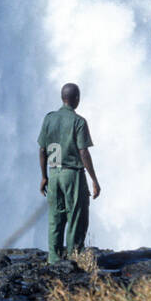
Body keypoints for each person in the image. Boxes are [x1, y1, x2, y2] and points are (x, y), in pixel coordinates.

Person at [37, 82, 100, 265]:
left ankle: (54, 259)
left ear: (62, 98)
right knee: (76, 216)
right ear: (77, 99)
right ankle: (74, 257)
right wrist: (94, 180)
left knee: (55, 217)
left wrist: (43, 177)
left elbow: (42, 150)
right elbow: (83, 152)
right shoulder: (78, 122)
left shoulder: (48, 119)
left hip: (53, 173)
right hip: (72, 175)